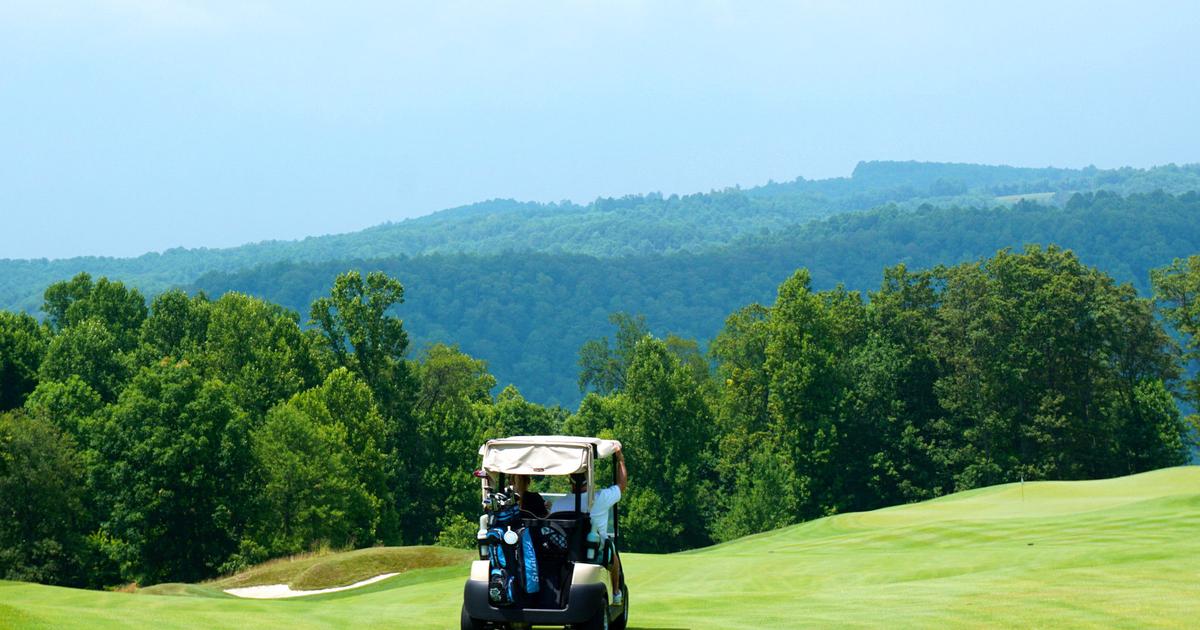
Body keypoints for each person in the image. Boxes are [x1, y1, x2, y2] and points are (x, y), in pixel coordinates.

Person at [549, 444, 627, 605]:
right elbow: (622, 485)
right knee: (611, 550)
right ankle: (616, 592)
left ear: (570, 481)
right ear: (589, 479)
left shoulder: (558, 504)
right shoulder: (600, 498)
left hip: (563, 550)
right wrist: (620, 460)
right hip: (593, 549)